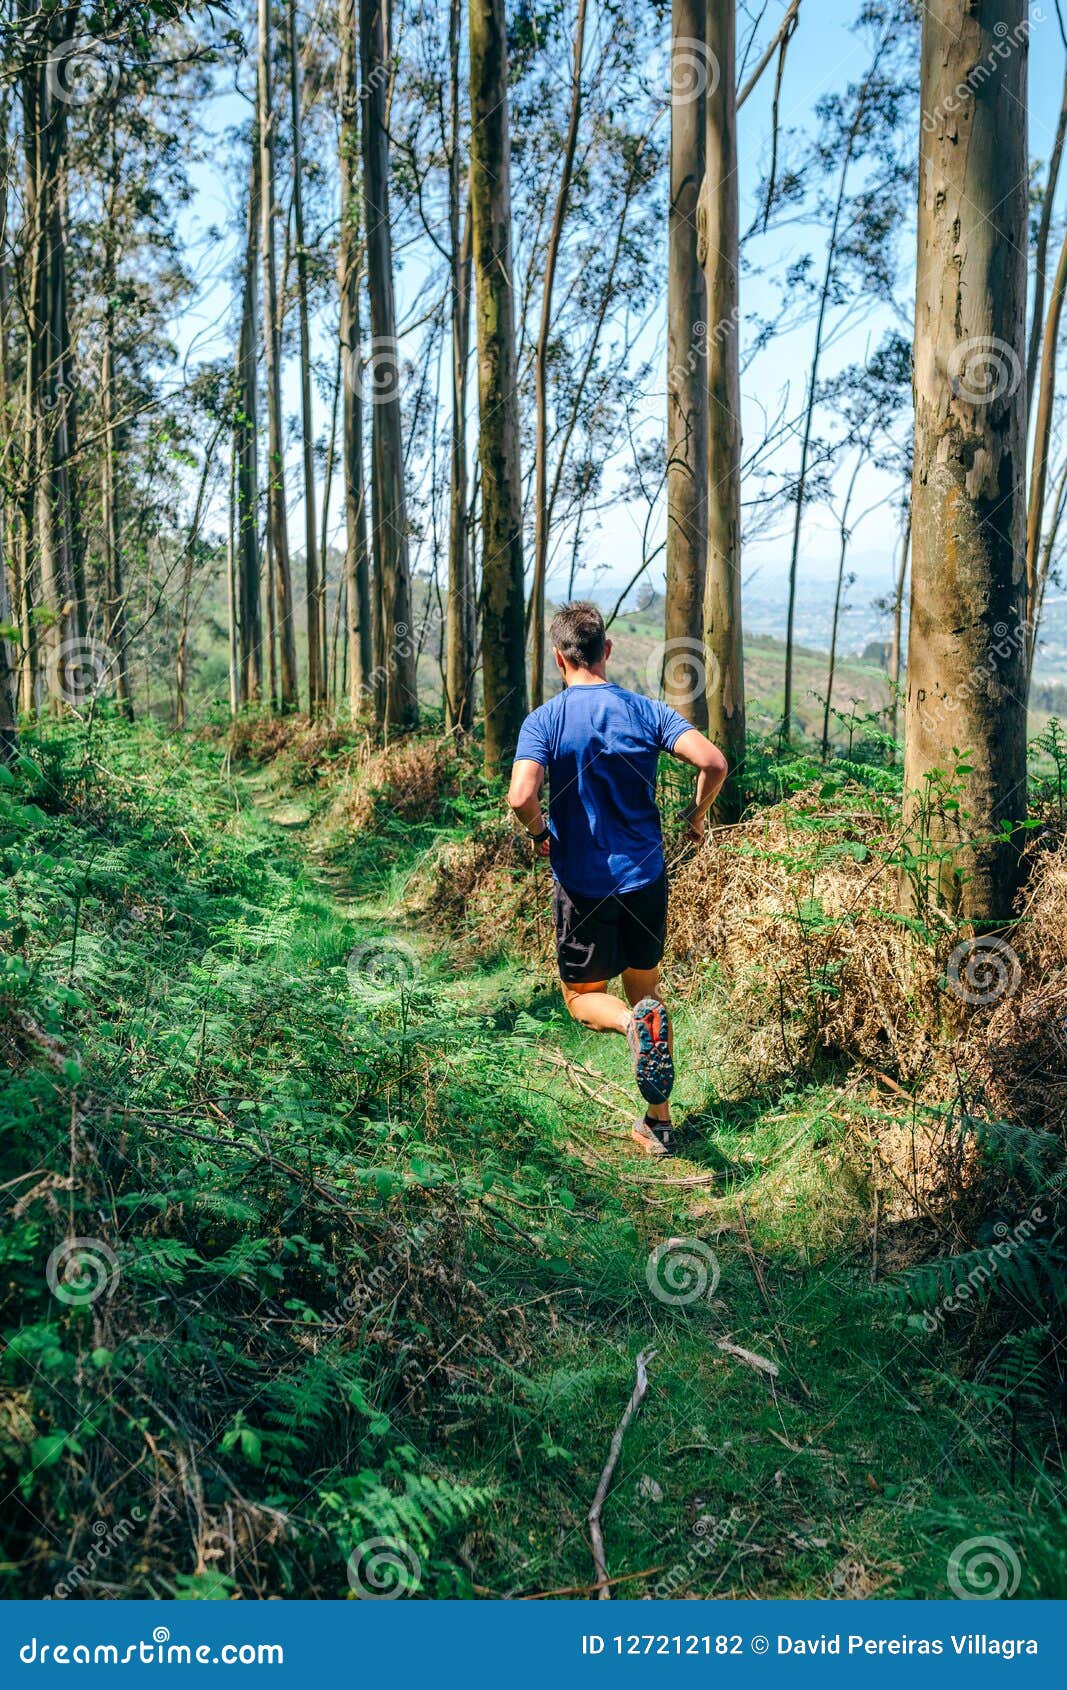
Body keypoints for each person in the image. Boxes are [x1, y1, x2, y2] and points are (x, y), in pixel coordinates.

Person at [508, 602, 728, 1156]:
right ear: (606, 651)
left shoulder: (545, 720)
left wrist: (541, 834)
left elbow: (520, 795)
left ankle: (631, 1027)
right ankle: (659, 1122)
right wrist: (694, 818)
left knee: (582, 998)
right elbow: (714, 763)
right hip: (645, 879)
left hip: (583, 885)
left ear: (560, 658)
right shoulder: (647, 712)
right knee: (647, 988)